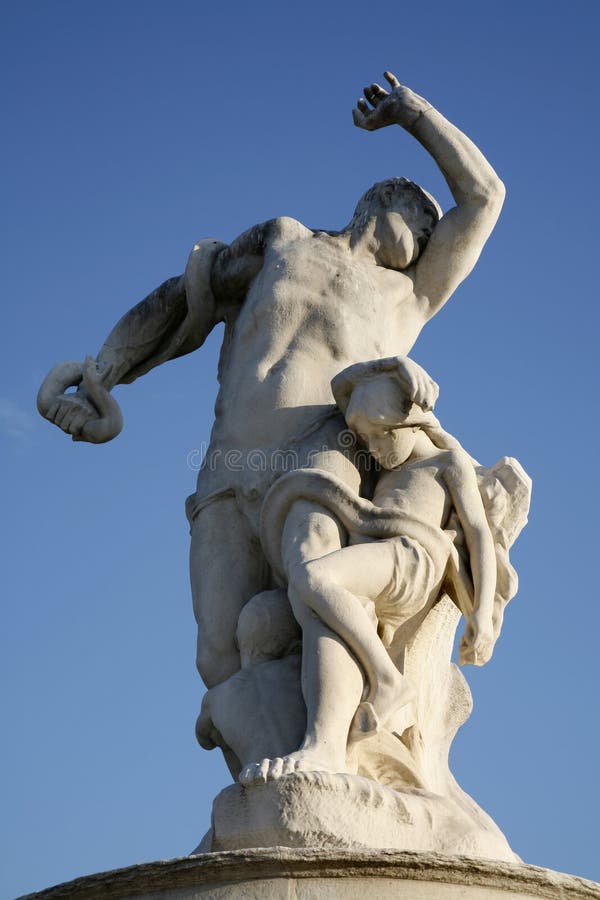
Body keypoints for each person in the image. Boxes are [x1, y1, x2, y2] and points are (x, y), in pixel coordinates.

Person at [38, 72, 505, 699]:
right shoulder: (283, 239)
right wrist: (102, 378)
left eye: (431, 238)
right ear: (382, 202)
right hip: (228, 471)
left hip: (319, 467)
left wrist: (412, 114)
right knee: (219, 659)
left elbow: (485, 197)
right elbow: (182, 301)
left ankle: (345, 728)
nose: (426, 242)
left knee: (318, 602)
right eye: (422, 223)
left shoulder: (409, 297)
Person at [239, 357, 497, 784]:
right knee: (315, 605)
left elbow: (479, 536)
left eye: (377, 438)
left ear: (407, 424)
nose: (372, 449)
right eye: (365, 439)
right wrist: (395, 365)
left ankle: (386, 678)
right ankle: (328, 735)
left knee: (313, 577)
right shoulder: (390, 459)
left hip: (412, 559)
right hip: (382, 556)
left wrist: (482, 614)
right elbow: (341, 384)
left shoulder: (447, 463)